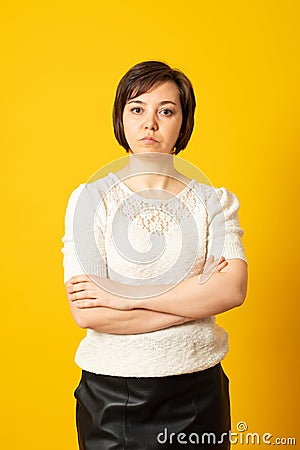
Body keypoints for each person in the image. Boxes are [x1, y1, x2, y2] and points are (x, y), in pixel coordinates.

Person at [61, 60, 248, 449]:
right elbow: (88, 312)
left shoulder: (214, 202)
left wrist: (124, 296)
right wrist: (194, 295)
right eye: (137, 108)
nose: (151, 123)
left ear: (184, 122)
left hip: (198, 391)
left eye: (166, 110)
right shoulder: (90, 201)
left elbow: (231, 291)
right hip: (112, 397)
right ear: (121, 118)